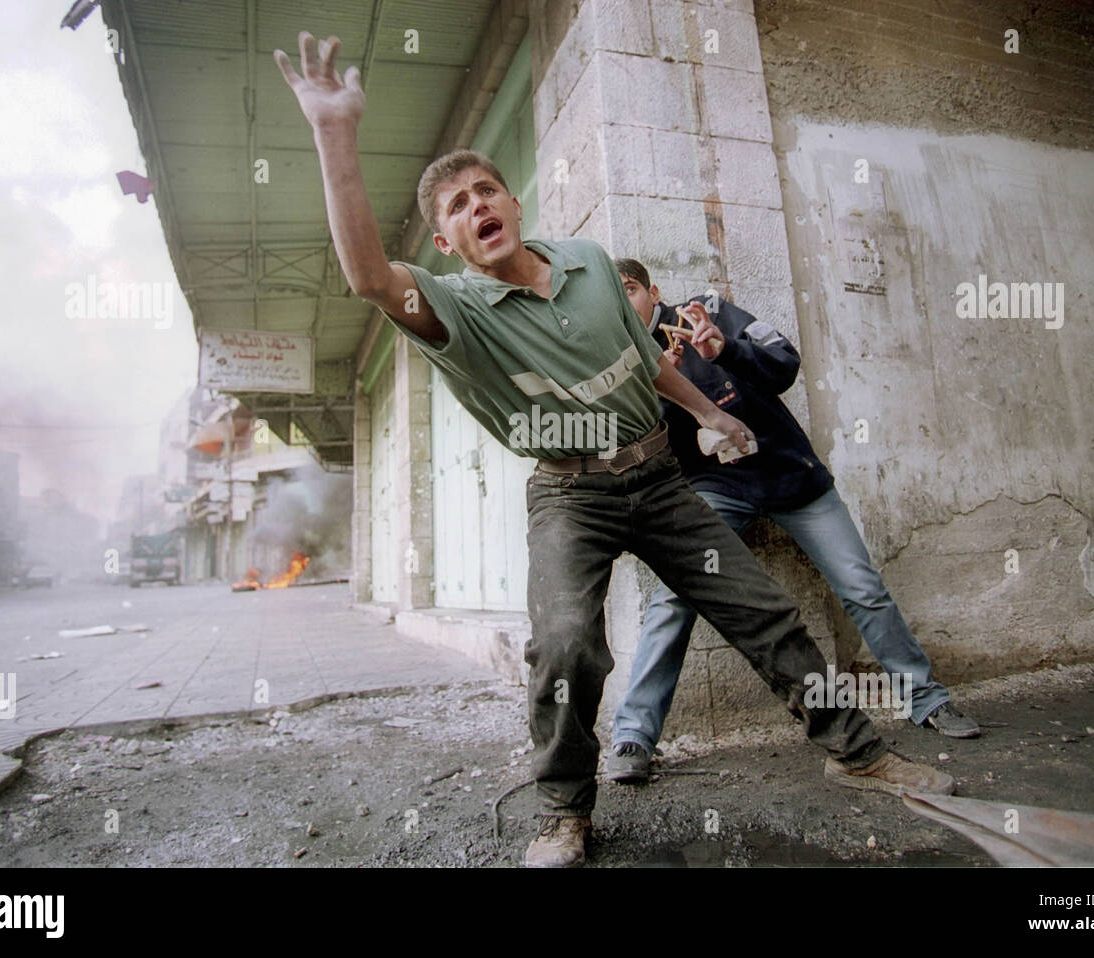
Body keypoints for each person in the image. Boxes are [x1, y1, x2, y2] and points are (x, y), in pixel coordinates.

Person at [275, 32, 954, 868]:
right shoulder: (454, 307)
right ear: (446, 241)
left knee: (762, 611)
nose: (475, 204)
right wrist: (334, 133)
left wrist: (715, 415)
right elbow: (369, 277)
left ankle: (860, 752)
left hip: (662, 481)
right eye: (455, 206)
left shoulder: (593, 264)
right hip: (571, 498)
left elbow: (648, 361)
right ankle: (563, 810)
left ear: (514, 203)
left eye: (485, 189)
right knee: (564, 643)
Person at [605, 259, 980, 784]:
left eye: (631, 289)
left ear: (653, 292)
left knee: (861, 585)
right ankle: (633, 736)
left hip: (789, 474)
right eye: (614, 295)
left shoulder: (704, 313)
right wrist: (654, 397)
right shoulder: (622, 361)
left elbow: (784, 363)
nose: (626, 302)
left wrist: (725, 349)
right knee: (674, 597)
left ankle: (926, 697)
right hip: (716, 489)